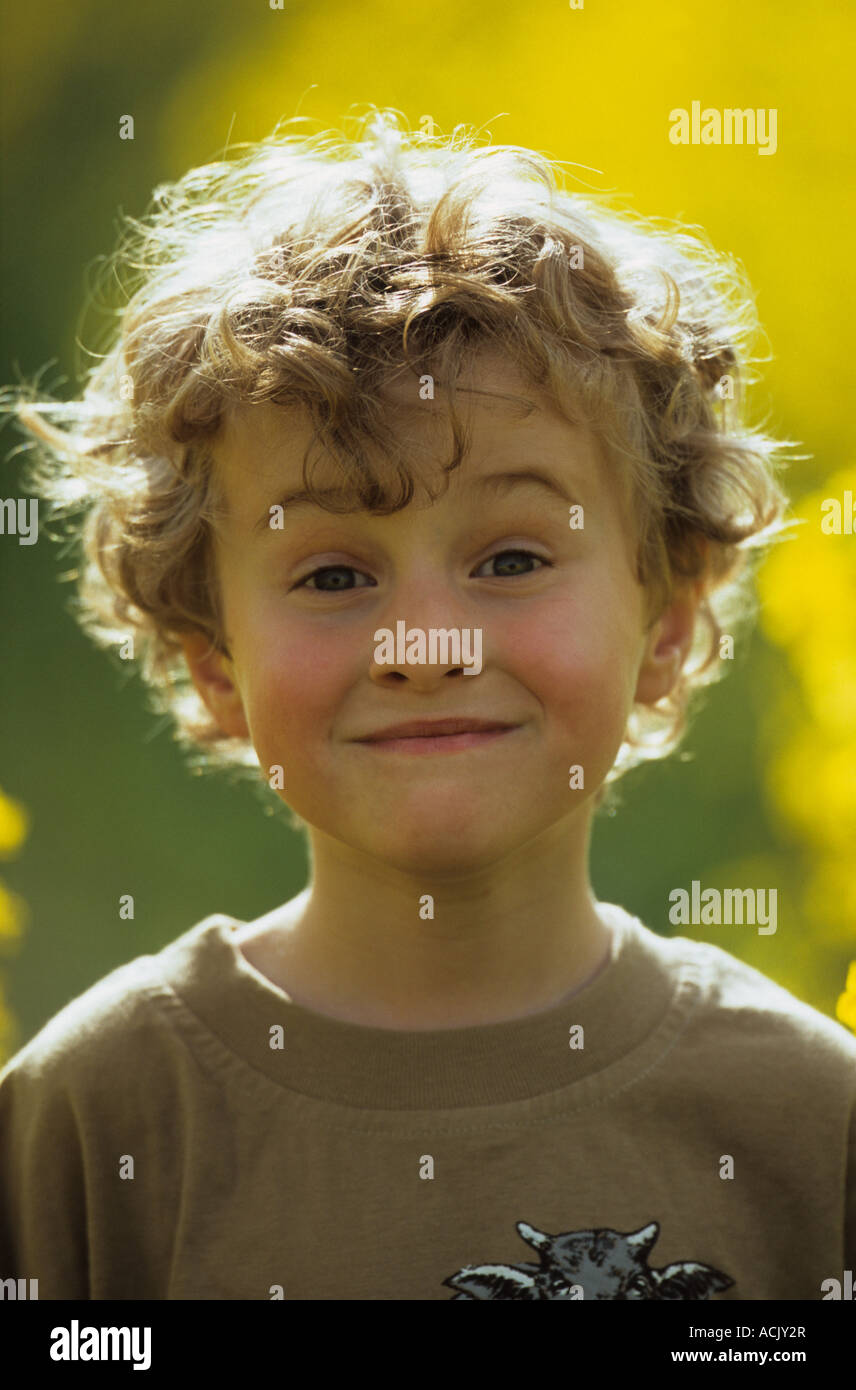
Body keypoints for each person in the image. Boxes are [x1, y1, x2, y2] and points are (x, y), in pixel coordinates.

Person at [1, 111, 853, 1300]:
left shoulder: (809, 1118)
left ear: (664, 619)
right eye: (333, 575)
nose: (423, 642)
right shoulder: (97, 1118)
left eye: (510, 559)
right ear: (212, 658)